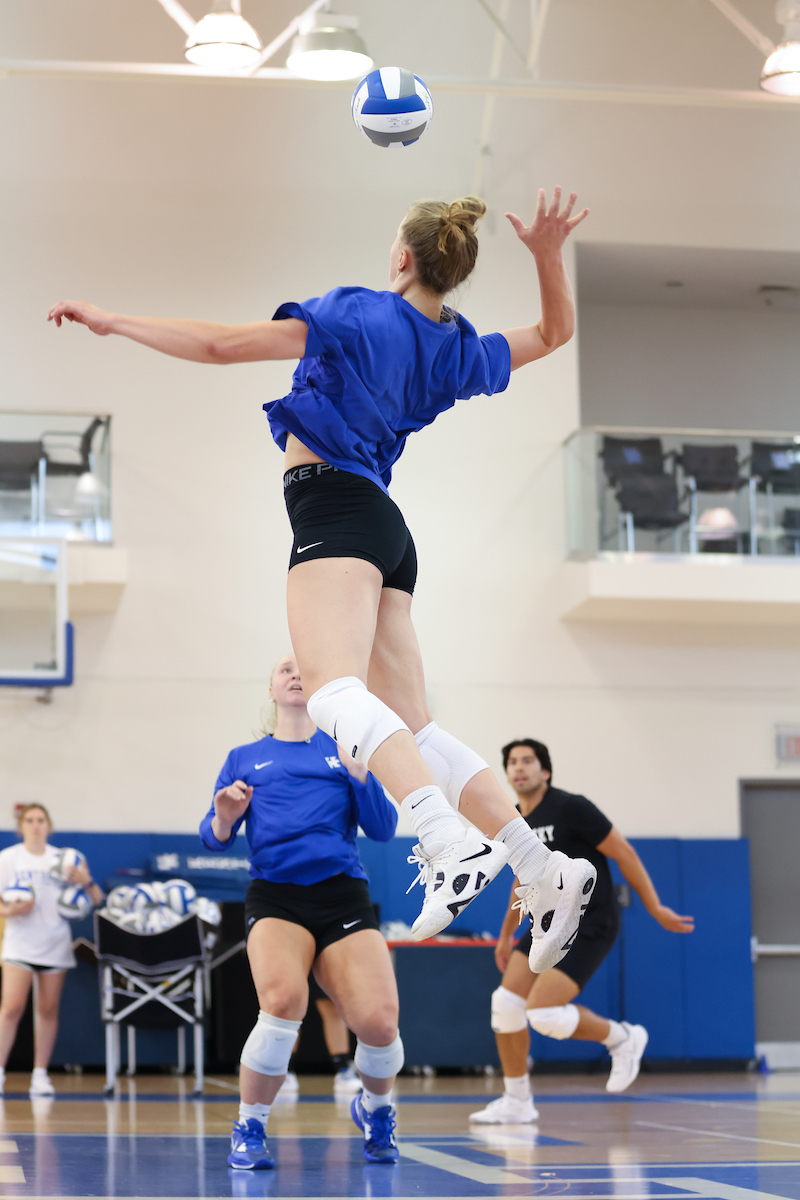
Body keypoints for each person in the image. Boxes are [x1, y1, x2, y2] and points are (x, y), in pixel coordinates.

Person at [48, 186, 596, 972]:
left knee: (334, 692)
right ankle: (541, 866)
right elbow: (553, 331)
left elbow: (219, 347)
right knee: (419, 728)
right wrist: (547, 257)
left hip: (333, 510)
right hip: (383, 530)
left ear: (403, 257)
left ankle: (445, 839)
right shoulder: (454, 347)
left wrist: (114, 320)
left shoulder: (360, 314)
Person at [199, 654, 402, 1169]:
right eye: (284, 669)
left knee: (379, 1023)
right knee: (284, 1002)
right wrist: (224, 818)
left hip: (343, 896)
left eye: (303, 669)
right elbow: (214, 836)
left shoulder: (344, 751)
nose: (294, 674)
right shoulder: (244, 757)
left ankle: (376, 1111)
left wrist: (361, 776)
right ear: (271, 689)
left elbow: (383, 829)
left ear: (318, 691)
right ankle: (249, 1128)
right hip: (276, 896)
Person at [469, 739, 695, 1124]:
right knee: (505, 1005)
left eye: (527, 761)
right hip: (544, 922)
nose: (518, 768)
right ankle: (518, 1101)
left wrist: (655, 907)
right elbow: (520, 882)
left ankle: (622, 1038)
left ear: (546, 770)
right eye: (512, 763)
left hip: (588, 922)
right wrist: (507, 934)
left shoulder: (571, 807)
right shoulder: (515, 820)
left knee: (542, 1014)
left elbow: (623, 851)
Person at [0, 804, 103, 1097]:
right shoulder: (8, 859)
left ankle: (40, 1074)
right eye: (30, 820)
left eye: (40, 820)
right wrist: (10, 909)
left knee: (47, 1009)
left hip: (55, 943)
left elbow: (96, 899)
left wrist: (87, 881)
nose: (35, 825)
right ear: (21, 826)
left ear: (49, 826)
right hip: (19, 944)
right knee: (11, 1008)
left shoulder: (66, 860)